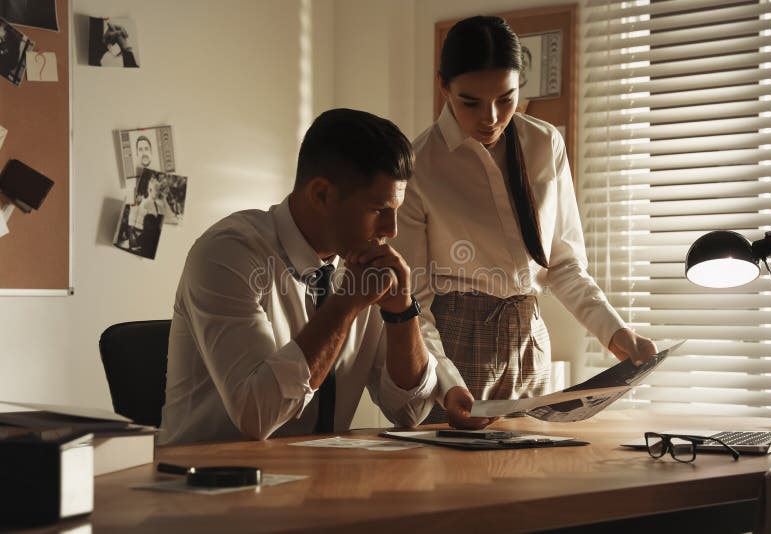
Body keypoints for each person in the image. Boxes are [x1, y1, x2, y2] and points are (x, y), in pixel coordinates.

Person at [393, 16, 658, 429]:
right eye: (471, 102)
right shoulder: (418, 165)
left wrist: (618, 333)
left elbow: (564, 265)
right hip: (453, 347)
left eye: (506, 97)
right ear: (443, 85)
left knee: (530, 473)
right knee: (451, 483)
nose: (491, 117)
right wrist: (446, 382)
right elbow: (415, 304)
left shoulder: (545, 143)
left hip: (530, 342)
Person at [159, 108, 438, 444]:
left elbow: (410, 413)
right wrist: (345, 304)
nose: (391, 231)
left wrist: (401, 312)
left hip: (317, 477)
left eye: (396, 212)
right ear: (321, 195)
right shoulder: (227, 254)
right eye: (379, 210)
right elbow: (256, 417)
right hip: (207, 481)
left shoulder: (363, 268)